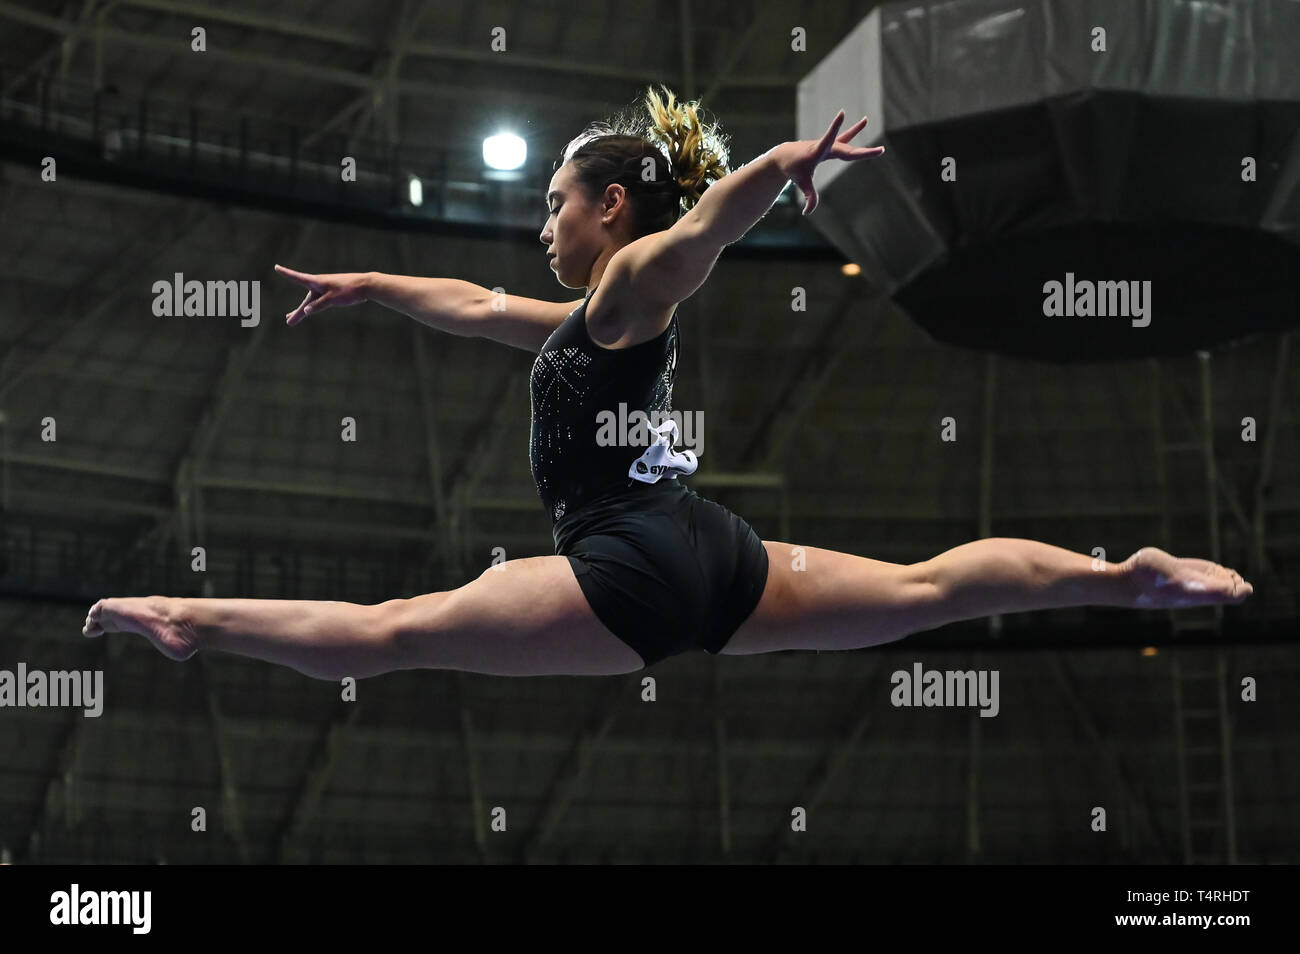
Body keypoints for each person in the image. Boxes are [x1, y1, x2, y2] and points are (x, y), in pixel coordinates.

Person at [83, 85, 1253, 678]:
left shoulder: (636, 275)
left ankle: (194, 620)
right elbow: (484, 310)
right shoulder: (590, 318)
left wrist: (774, 169)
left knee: (394, 634)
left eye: (554, 204)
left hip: (627, 565)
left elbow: (696, 236)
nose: (543, 225)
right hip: (710, 555)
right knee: (926, 589)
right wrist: (380, 281)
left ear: (610, 206)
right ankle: (1122, 578)